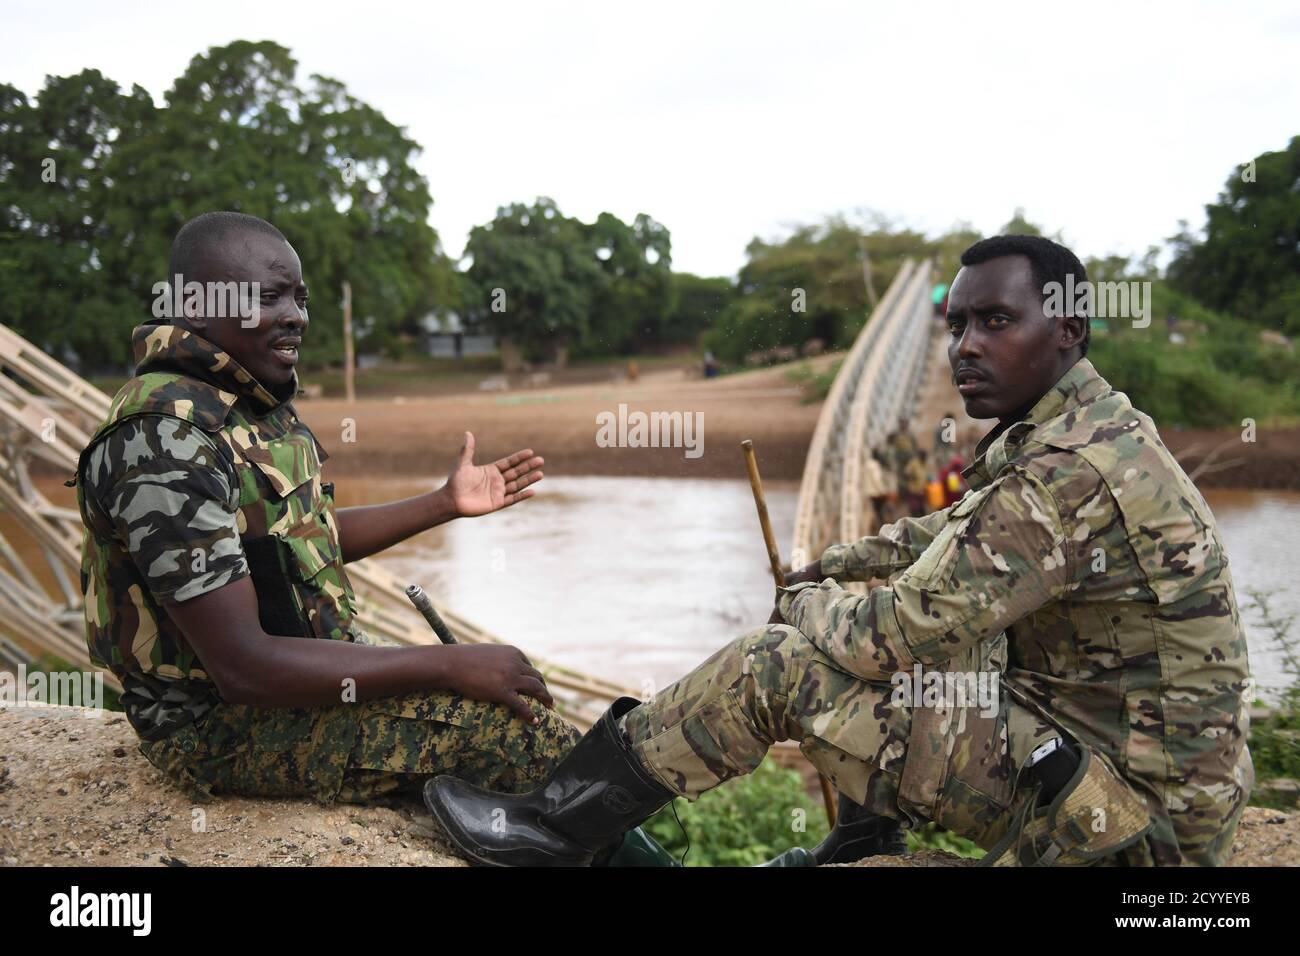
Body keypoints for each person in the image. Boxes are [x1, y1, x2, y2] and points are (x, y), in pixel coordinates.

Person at [425, 234, 1254, 868]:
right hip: (1122, 783)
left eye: (996, 322)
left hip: (1134, 834)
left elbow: (888, 633)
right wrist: (839, 561)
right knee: (941, 630)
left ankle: (551, 831)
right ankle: (862, 845)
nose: (966, 345)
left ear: (1068, 328)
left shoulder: (1068, 472)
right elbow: (945, 541)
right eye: (957, 324)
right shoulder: (1091, 430)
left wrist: (805, 601)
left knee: (777, 667)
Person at [72, 211, 678, 865]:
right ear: (197, 304)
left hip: (283, 684)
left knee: (525, 719)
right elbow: (243, 666)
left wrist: (443, 504)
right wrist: (449, 662)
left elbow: (303, 540)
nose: (297, 315)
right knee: (510, 735)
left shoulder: (243, 403)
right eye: (269, 295)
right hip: (212, 726)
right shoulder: (165, 439)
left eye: (300, 297)